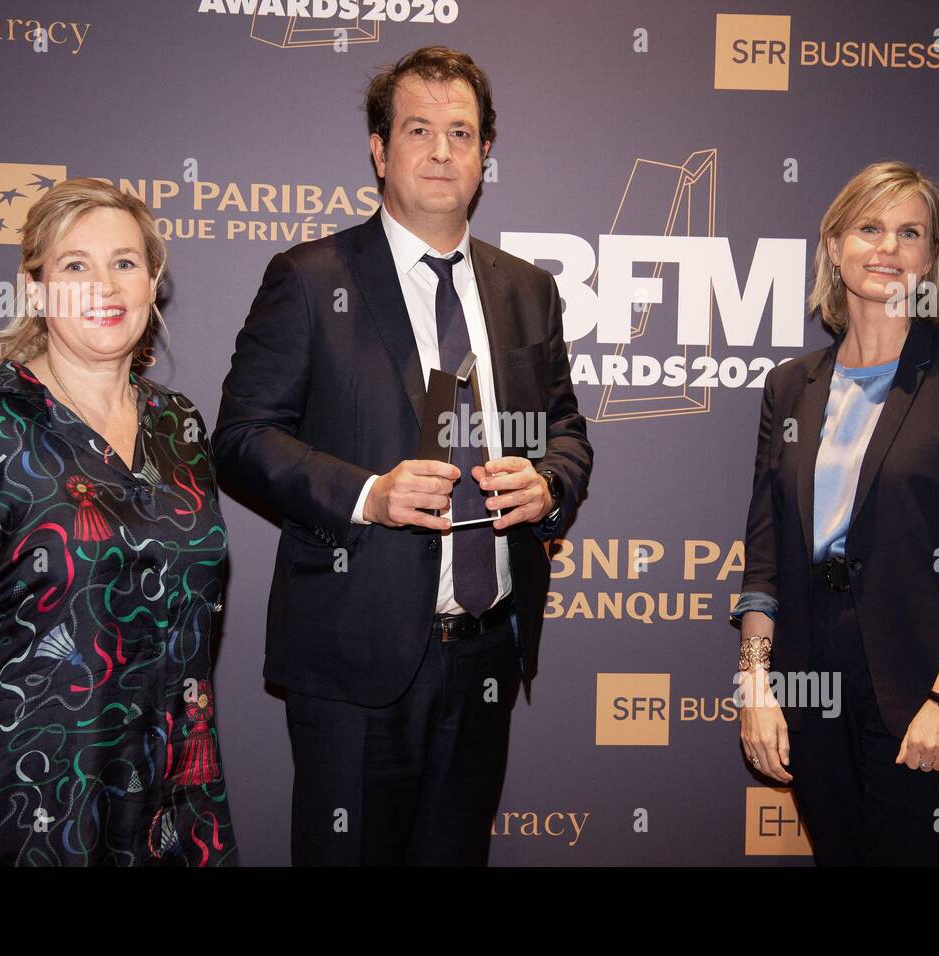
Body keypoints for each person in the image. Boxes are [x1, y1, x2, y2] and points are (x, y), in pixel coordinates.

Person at [214, 46, 592, 866]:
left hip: (488, 648)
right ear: (380, 150)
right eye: (418, 129)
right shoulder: (310, 279)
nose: (442, 151)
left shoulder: (529, 289)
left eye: (462, 132)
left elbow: (567, 431)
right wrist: (368, 495)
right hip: (354, 654)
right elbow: (241, 438)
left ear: (487, 151)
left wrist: (548, 482)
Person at [0, 178, 237, 865]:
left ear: (153, 282)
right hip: (12, 811)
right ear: (35, 290)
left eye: (124, 262)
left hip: (166, 802)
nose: (104, 285)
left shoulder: (179, 425)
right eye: (75, 265)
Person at [731, 161, 939, 866]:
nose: (887, 249)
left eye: (909, 233)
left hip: (929, 675)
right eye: (869, 228)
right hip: (813, 674)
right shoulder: (790, 387)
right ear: (834, 246)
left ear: (931, 258)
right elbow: (766, 552)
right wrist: (755, 686)